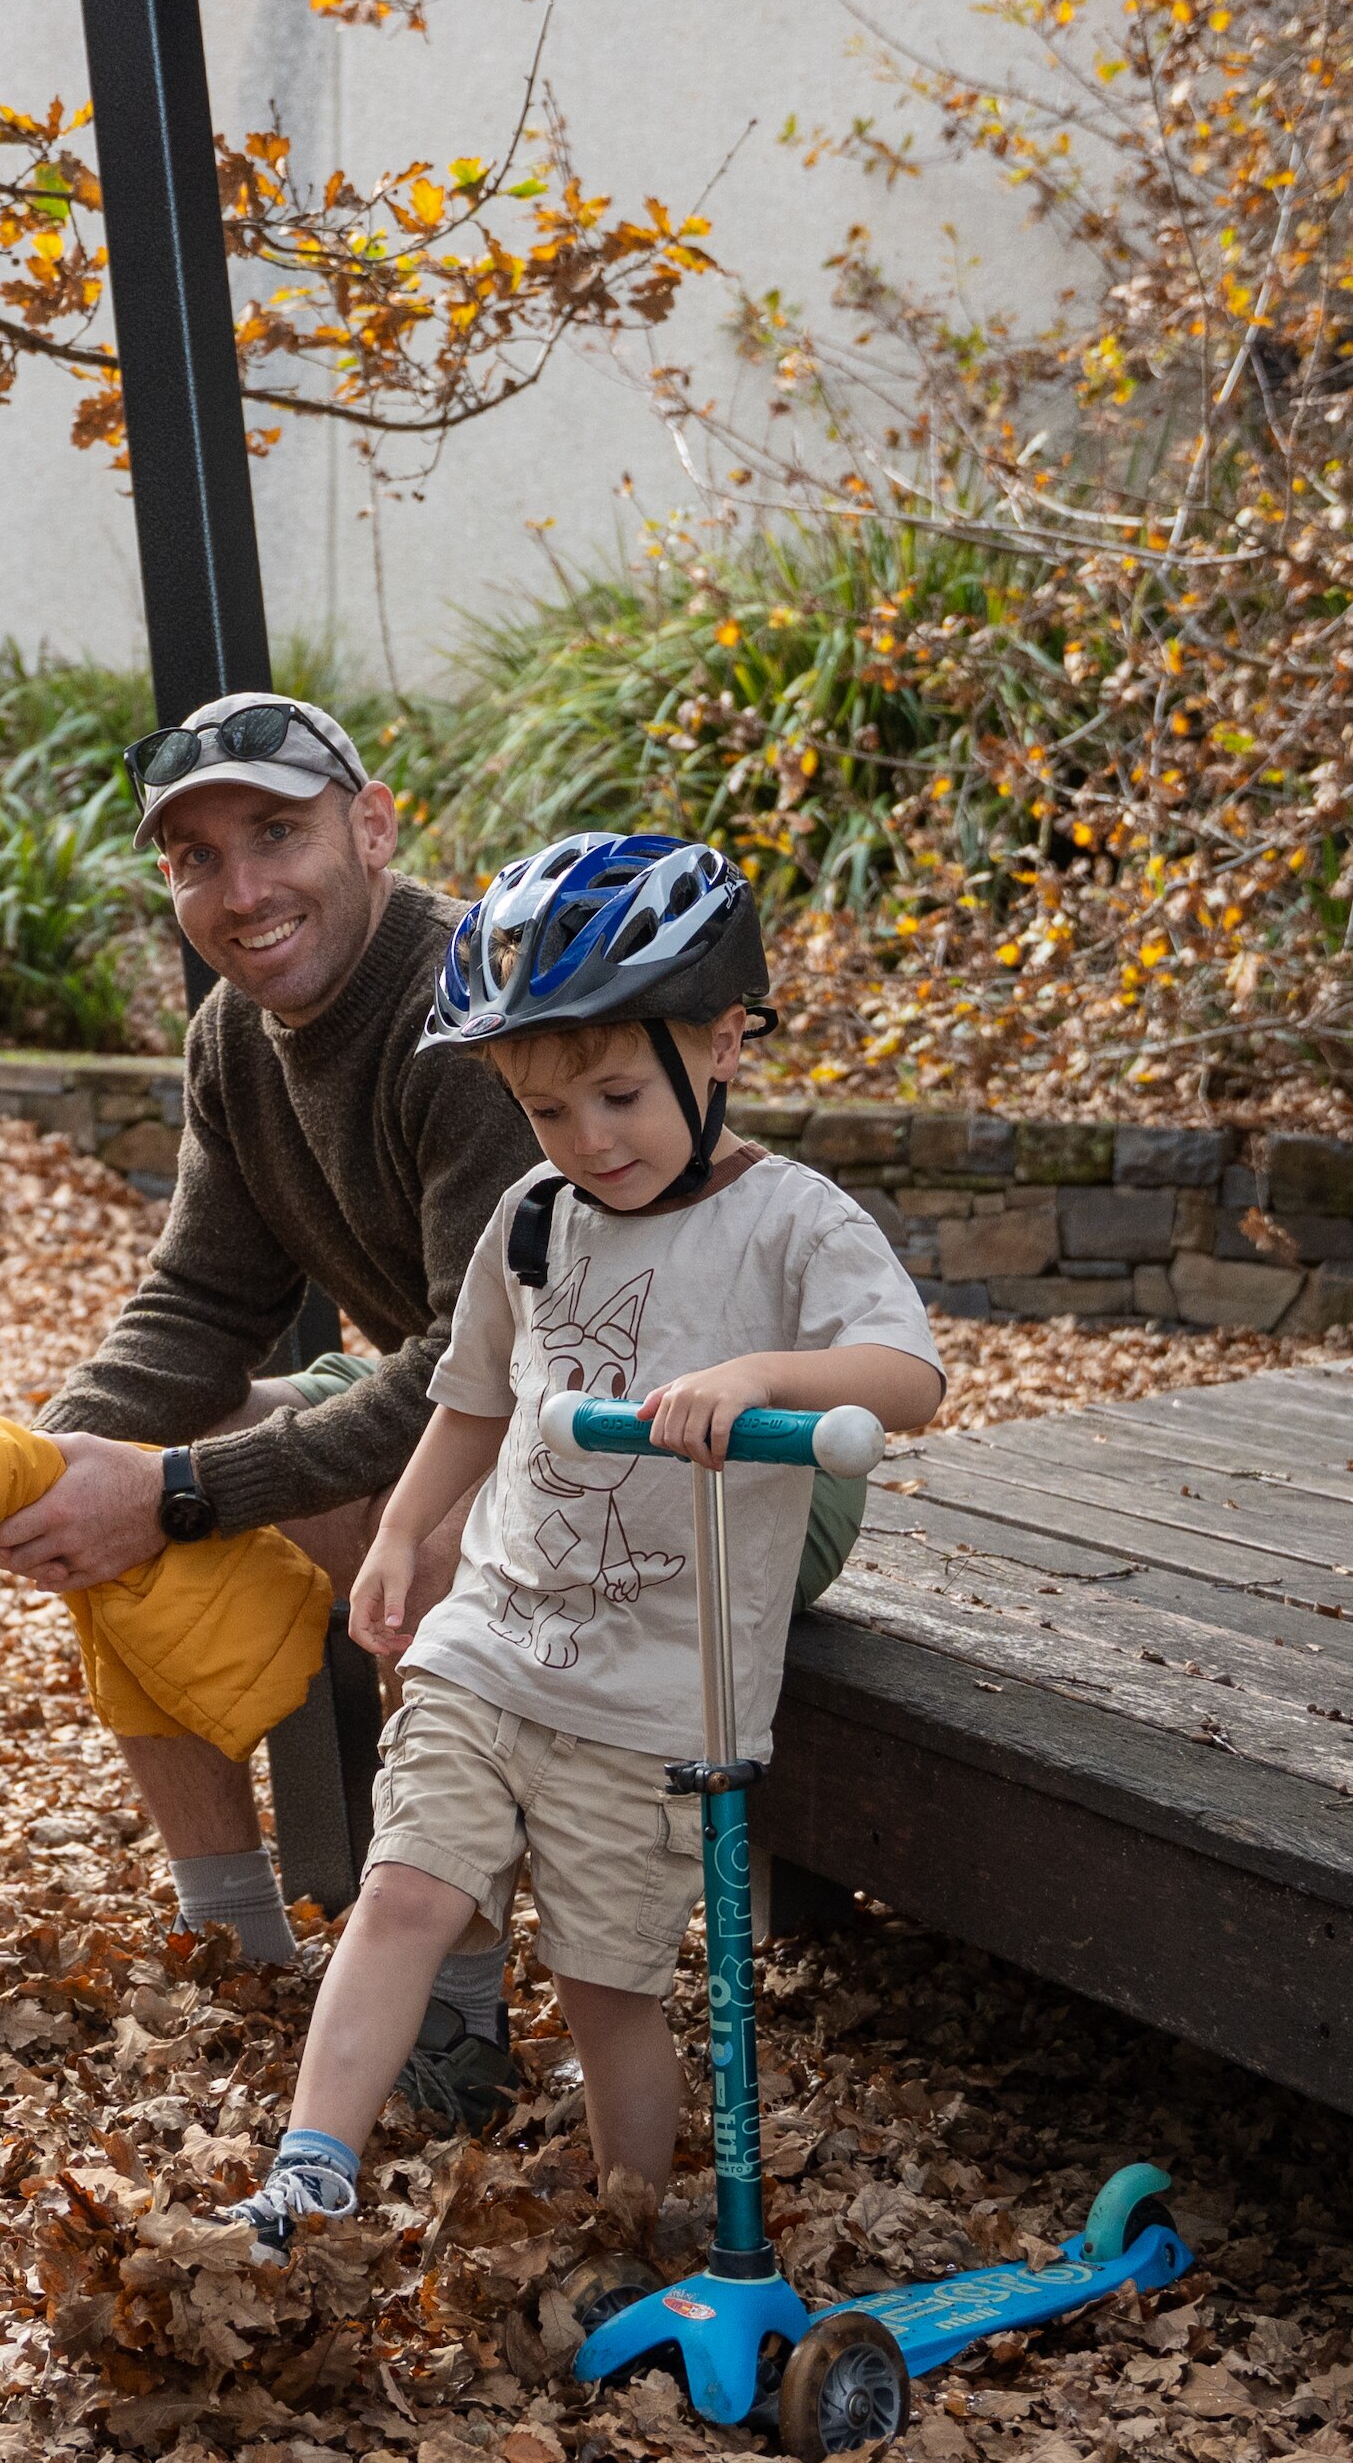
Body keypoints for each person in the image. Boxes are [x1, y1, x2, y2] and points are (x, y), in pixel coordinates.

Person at [220, 831, 945, 2259]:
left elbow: (907, 1376)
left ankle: (633, 2224)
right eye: (550, 1109)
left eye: (618, 1094)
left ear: (724, 1040)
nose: (589, 1138)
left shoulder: (791, 1221)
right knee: (407, 1889)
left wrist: (764, 1382)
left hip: (658, 1695)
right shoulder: (537, 1218)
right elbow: (474, 1397)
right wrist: (409, 1533)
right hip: (494, 1638)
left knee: (608, 1984)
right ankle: (311, 2169)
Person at [0, 689, 544, 2124]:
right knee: (122, 1468)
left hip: (673, 1435)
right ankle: (237, 1944)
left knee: (406, 1533)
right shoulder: (236, 1036)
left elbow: (479, 1379)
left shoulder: (478, 1003)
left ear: (372, 826)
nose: (241, 891)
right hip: (461, 1395)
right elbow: (201, 1305)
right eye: (196, 859)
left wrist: (168, 1492)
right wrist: (58, 1455)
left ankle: (453, 2021)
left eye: (276, 834)